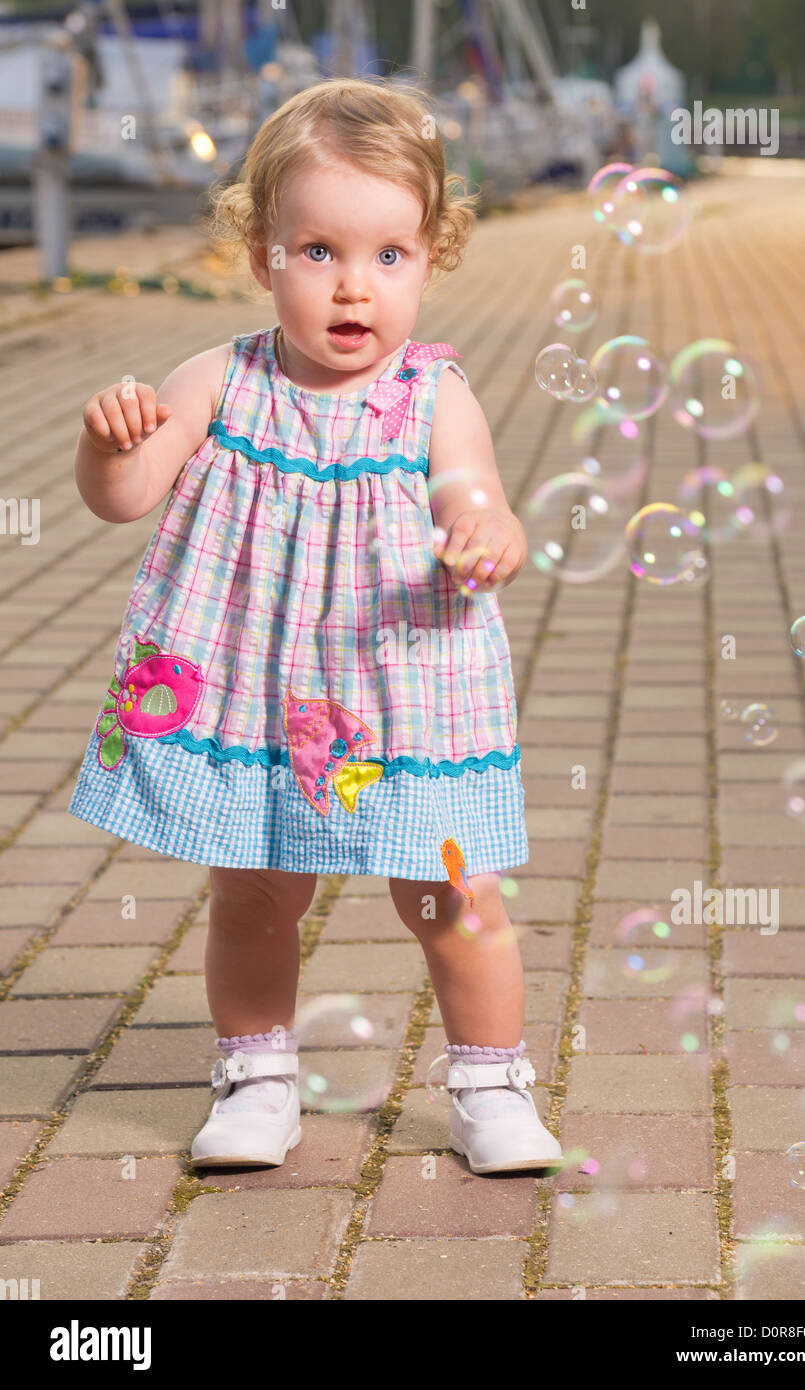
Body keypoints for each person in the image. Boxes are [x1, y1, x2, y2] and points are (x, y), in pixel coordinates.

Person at [68, 76, 562, 1178]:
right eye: (319, 252)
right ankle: (256, 1074)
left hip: (402, 682)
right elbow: (126, 494)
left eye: (390, 256)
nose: (354, 288)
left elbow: (469, 485)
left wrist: (485, 526)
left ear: (432, 257)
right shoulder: (220, 378)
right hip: (251, 681)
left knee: (448, 885)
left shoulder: (435, 393)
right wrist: (108, 444)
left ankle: (490, 1078)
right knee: (252, 884)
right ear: (263, 255)